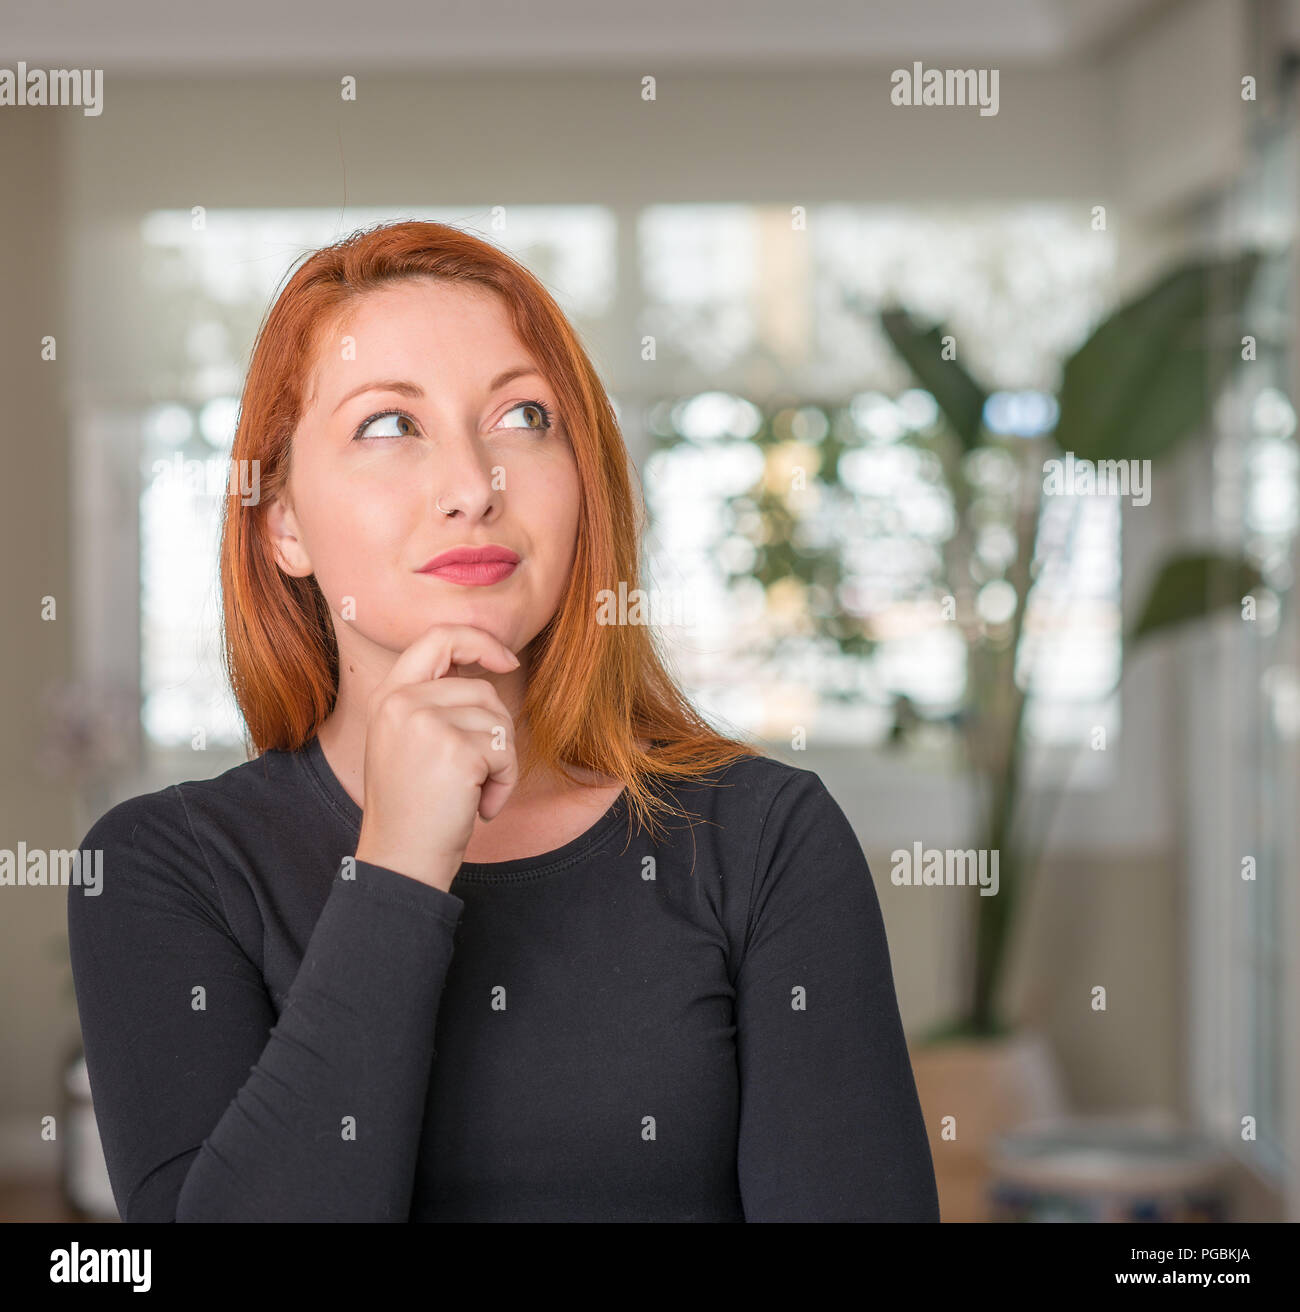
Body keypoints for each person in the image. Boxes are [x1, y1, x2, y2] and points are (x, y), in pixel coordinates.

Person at [66, 219, 940, 1222]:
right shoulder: (160, 866)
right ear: (285, 524)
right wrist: (396, 870)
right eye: (389, 425)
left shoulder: (763, 838)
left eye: (525, 416)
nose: (472, 487)